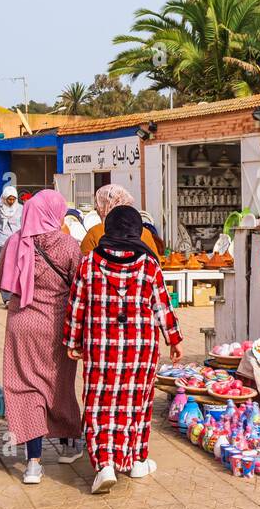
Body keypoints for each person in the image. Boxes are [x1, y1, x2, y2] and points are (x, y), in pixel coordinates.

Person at [66, 205, 182, 494]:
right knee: (136, 401)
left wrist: (72, 341)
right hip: (140, 347)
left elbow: (76, 306)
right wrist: (174, 339)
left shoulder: (90, 262)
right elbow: (162, 306)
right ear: (136, 230)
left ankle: (105, 463)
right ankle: (135, 459)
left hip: (100, 347)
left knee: (100, 403)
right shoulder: (148, 264)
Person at [0, 190, 83, 484]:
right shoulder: (69, 244)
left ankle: (32, 463)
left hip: (21, 324)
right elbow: (81, 284)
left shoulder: (14, 242)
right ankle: (70, 445)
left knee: (25, 389)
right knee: (58, 385)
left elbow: (0, 283)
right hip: (57, 326)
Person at [79, 184, 161, 259]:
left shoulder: (94, 232)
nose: (96, 208)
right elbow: (157, 263)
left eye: (99, 203)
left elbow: (83, 264)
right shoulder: (145, 233)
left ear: (107, 205)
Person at [0, 187, 23, 304]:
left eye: (13, 199)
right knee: (5, 269)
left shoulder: (21, 209)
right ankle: (6, 298)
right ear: (4, 198)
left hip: (17, 242)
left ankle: (15, 294)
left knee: (16, 269)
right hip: (1, 242)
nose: (11, 202)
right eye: (9, 199)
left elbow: (23, 225)